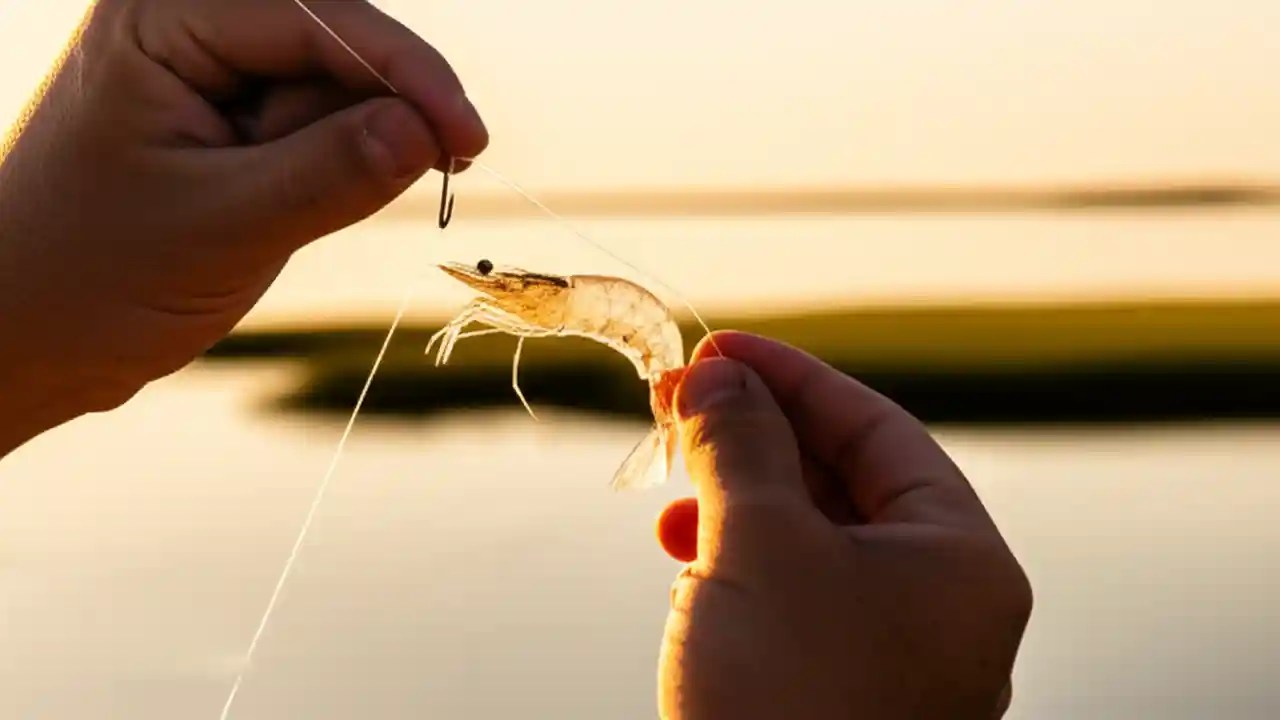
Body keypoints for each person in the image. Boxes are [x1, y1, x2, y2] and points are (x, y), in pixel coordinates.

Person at [0, 1, 1032, 718]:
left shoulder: (593, 317)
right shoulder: (536, 302)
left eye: (494, 283)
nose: (486, 292)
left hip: (646, 345)